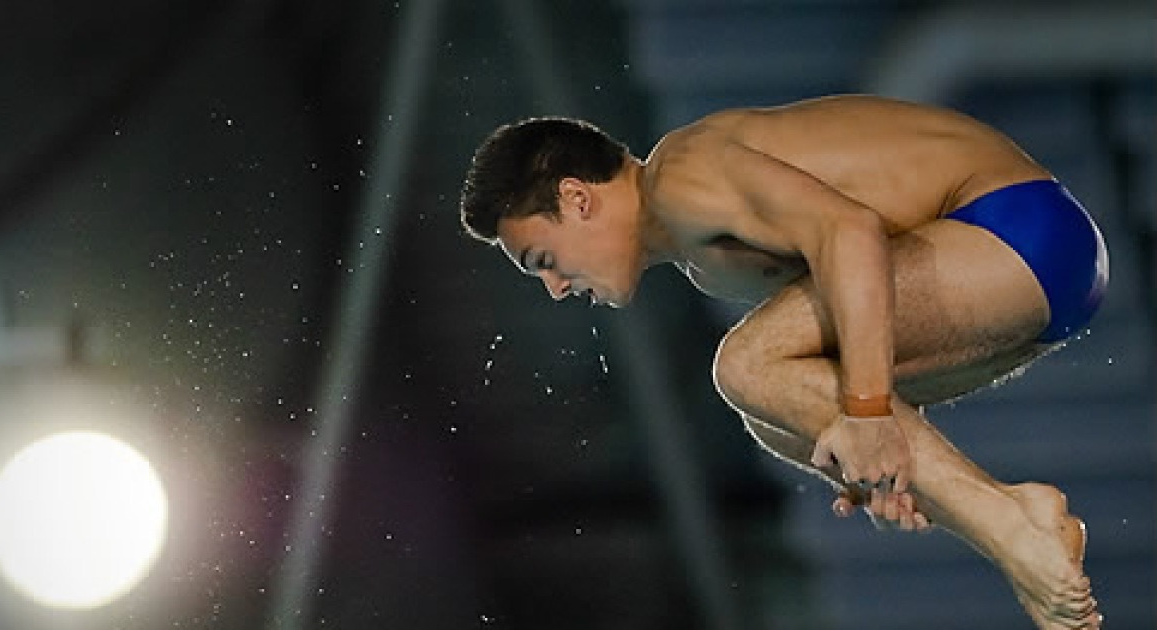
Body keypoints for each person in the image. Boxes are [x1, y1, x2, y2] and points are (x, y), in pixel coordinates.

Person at [459, 94, 1107, 629]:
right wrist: (878, 462)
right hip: (1037, 279)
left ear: (576, 198)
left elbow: (850, 234)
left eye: (542, 261)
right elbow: (866, 320)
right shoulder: (702, 262)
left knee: (746, 366)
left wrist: (872, 413)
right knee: (776, 418)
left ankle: (1010, 529)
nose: (556, 288)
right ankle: (1015, 511)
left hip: (1014, 227)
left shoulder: (680, 177)